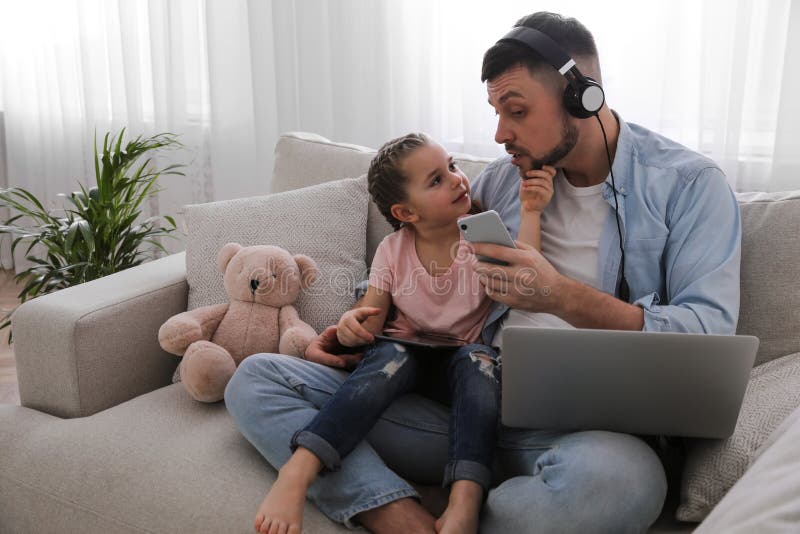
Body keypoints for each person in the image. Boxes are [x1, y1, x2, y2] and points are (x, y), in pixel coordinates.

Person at [226, 11, 741, 534]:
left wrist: (559, 296)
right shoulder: (496, 183)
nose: (500, 134)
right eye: (495, 111)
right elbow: (416, 254)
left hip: (576, 436)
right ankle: (394, 511)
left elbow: (708, 335)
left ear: (582, 95)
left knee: (625, 484)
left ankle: (469, 499)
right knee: (256, 380)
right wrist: (353, 328)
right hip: (456, 406)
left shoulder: (689, 187)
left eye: (515, 111)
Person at [241, 132, 555, 534]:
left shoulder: (478, 238)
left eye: (453, 167)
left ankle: (464, 500)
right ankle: (299, 469)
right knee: (391, 355)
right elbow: (372, 316)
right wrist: (353, 327)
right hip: (402, 360)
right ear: (406, 212)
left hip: (460, 366)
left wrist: (532, 211)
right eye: (437, 180)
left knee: (479, 364)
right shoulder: (393, 249)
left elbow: (524, 278)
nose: (457, 179)